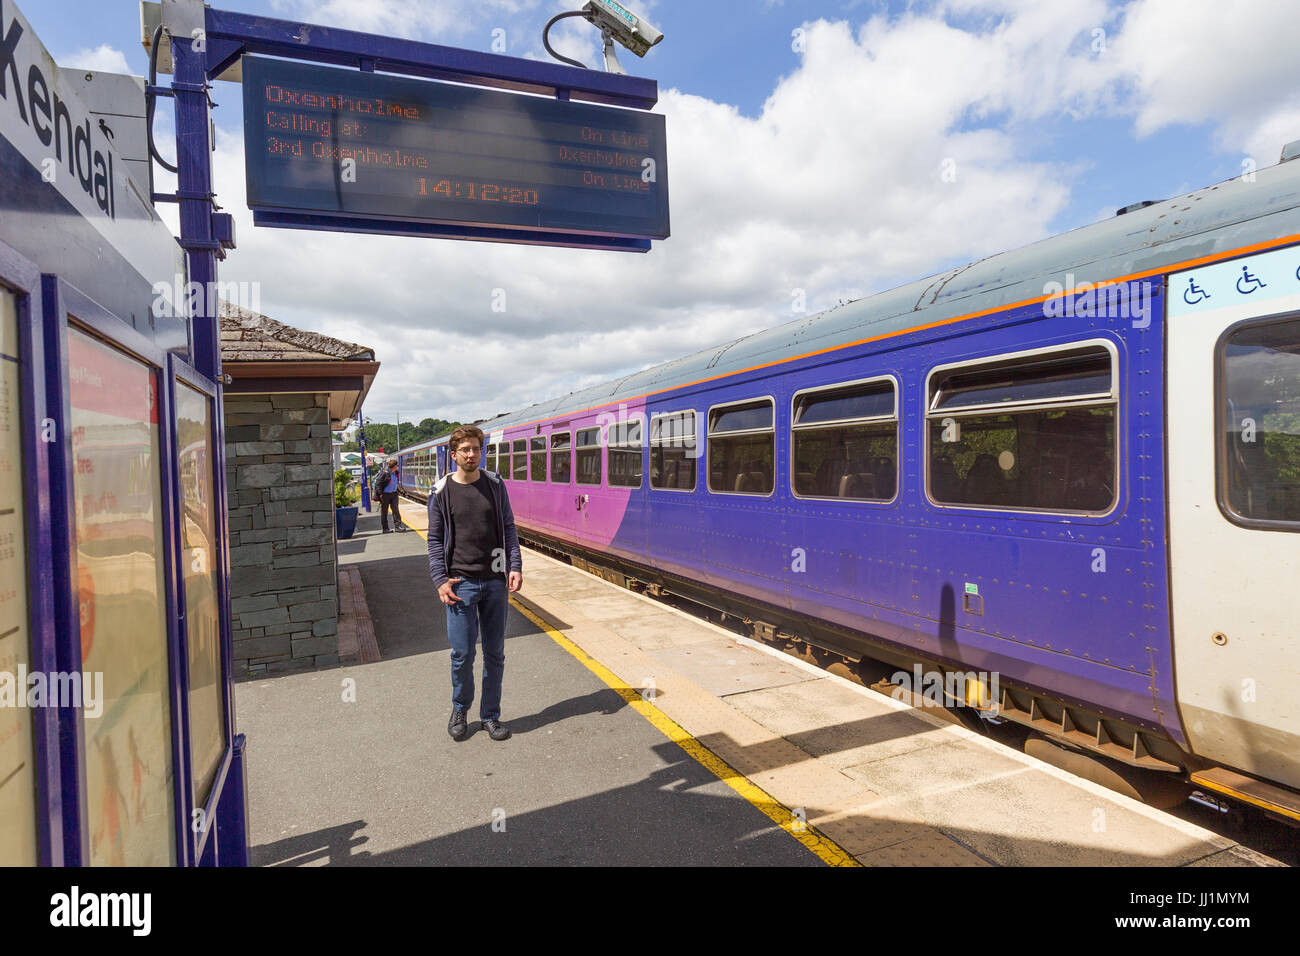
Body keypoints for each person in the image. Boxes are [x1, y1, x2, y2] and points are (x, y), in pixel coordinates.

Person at [426, 426, 523, 741]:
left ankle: (490, 716)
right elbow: (434, 539)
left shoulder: (495, 485)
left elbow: (508, 527)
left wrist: (514, 566)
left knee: (495, 653)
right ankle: (459, 708)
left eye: (476, 449)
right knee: (462, 654)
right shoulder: (441, 492)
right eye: (465, 450)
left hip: (494, 580)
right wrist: (440, 580)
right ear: (453, 455)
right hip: (460, 583)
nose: (471, 455)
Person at [379, 458, 407, 533]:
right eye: (397, 465)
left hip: (394, 494)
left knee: (395, 510)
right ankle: (385, 528)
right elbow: (378, 483)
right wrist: (380, 494)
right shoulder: (385, 473)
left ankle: (398, 526)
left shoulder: (396, 473)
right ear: (394, 466)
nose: (397, 466)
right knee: (384, 512)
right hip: (385, 495)